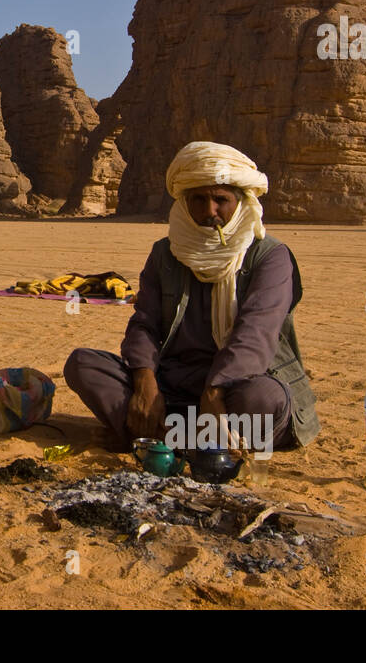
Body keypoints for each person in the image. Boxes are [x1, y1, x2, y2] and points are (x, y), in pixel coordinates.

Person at [63, 141, 320, 453]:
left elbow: (256, 334)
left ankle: (155, 438)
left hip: (237, 386)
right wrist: (146, 383)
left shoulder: (269, 256)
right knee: (84, 364)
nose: (208, 211)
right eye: (197, 199)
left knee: (264, 399)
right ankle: (197, 440)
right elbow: (144, 323)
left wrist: (214, 389)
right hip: (171, 384)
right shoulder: (166, 253)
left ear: (240, 202)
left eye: (220, 200)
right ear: (184, 201)